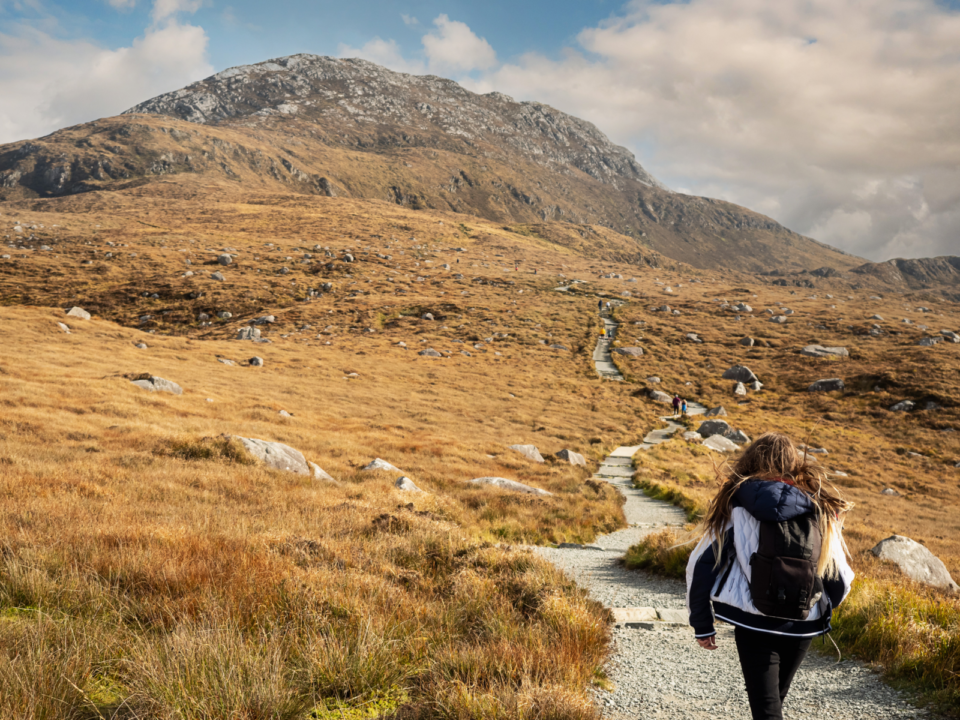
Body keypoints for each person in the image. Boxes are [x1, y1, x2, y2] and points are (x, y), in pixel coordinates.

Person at [686, 433, 854, 720]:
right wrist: (818, 610)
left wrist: (702, 624)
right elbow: (840, 579)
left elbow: (701, 565)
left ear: (751, 460)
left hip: (753, 622)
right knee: (775, 700)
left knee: (766, 707)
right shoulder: (820, 509)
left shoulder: (737, 503)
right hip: (802, 623)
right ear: (794, 464)